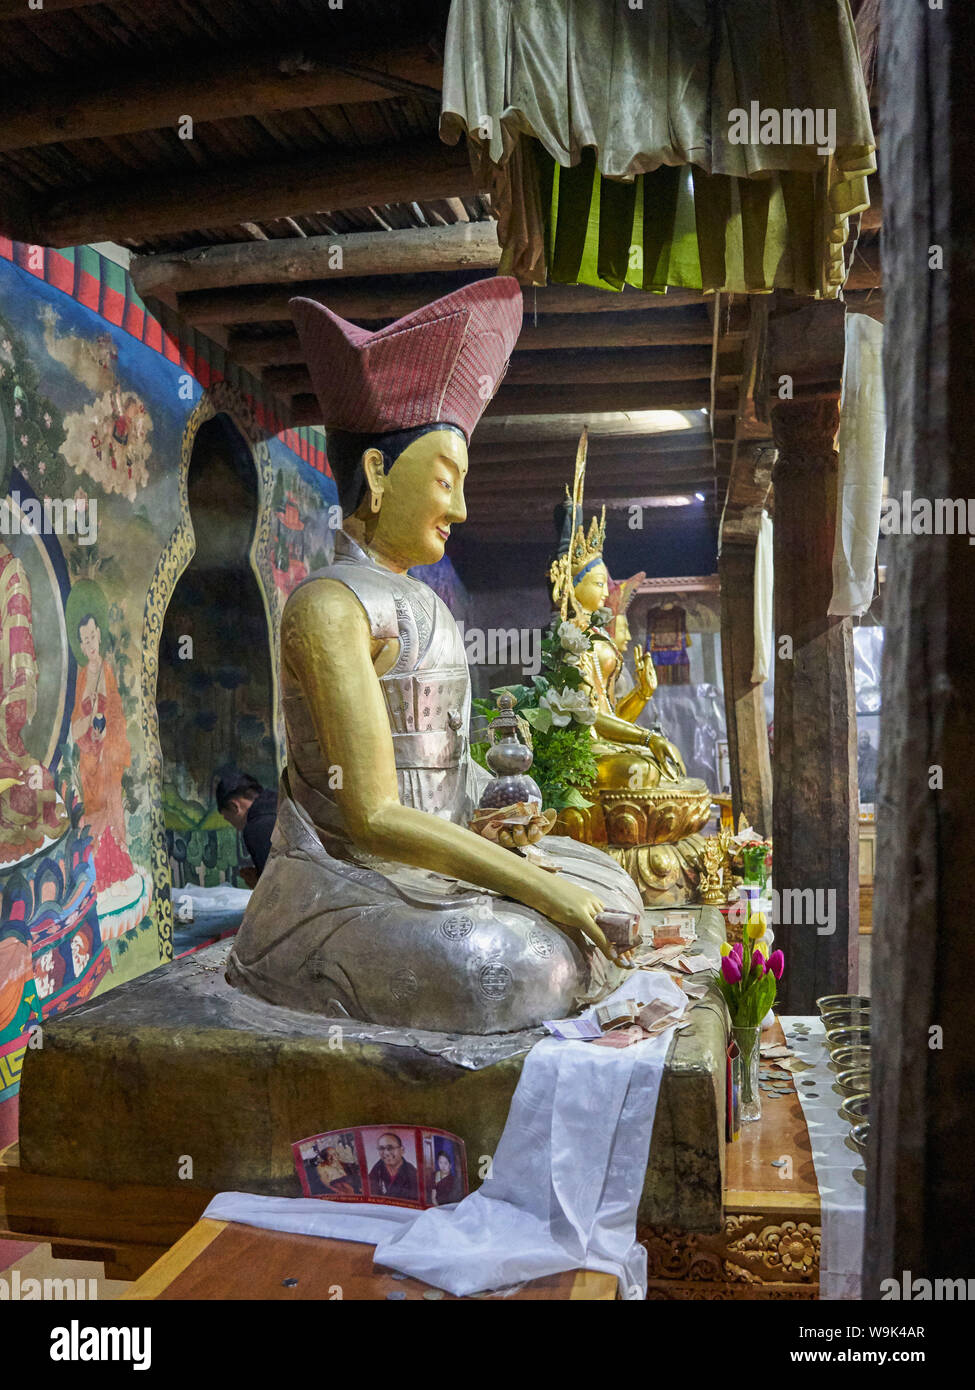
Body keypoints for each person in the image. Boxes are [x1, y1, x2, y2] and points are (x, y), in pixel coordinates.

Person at [225, 278, 645, 1035]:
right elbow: (377, 814)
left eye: (461, 483)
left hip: (434, 869)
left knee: (605, 881)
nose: (459, 508)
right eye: (446, 481)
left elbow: (441, 766)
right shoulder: (327, 605)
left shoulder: (427, 606)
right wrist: (531, 887)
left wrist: (500, 810)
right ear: (379, 476)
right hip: (352, 883)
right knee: (506, 963)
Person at [216, 773, 277, 883]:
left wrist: (258, 882)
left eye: (229, 820)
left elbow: (276, 885)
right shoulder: (281, 802)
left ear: (234, 807)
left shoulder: (256, 828)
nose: (237, 828)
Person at [367, 1133, 419, 1202]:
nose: (386, 1153)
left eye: (390, 1148)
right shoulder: (376, 1171)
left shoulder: (413, 1173)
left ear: (402, 1150)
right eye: (381, 1148)